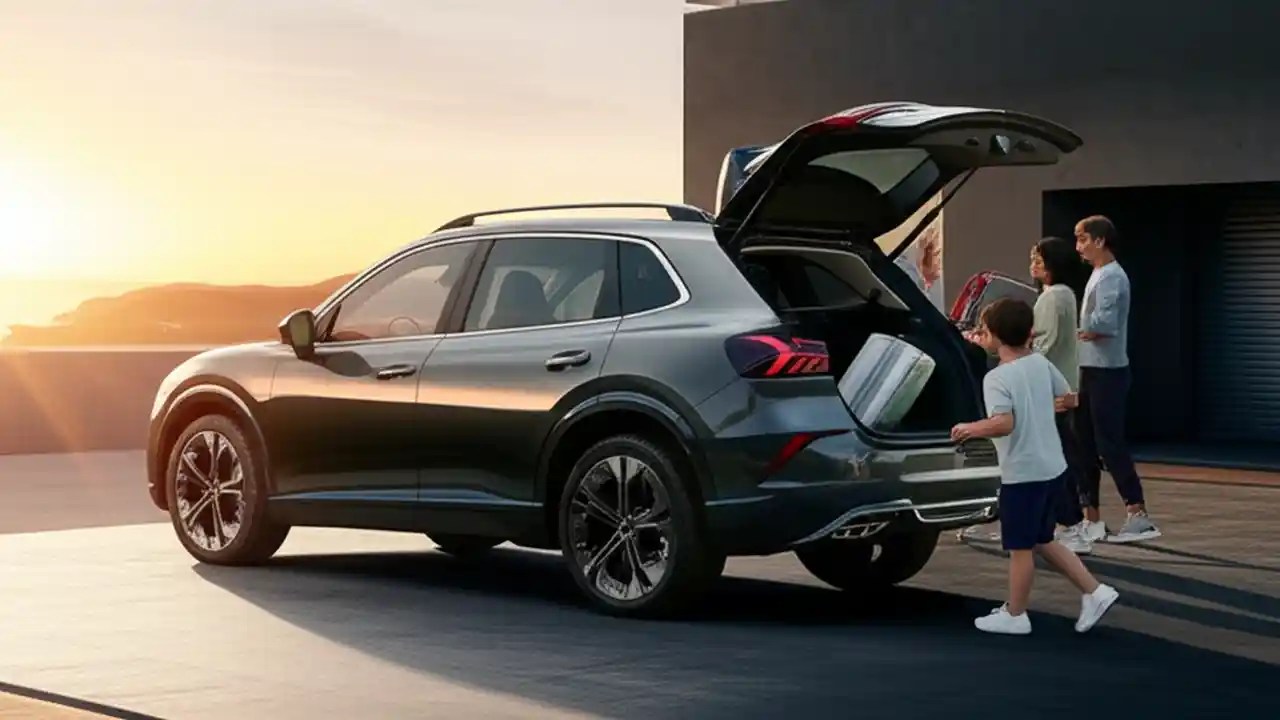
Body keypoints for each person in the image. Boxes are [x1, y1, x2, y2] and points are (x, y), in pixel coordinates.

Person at [951, 298, 1119, 635]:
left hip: (1022, 474)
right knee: (1043, 539)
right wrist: (1038, 407)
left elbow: (1004, 423)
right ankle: (1095, 591)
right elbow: (1068, 398)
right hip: (1052, 467)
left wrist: (970, 428)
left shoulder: (996, 378)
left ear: (994, 336)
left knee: (1020, 547)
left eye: (983, 331)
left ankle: (1016, 615)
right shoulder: (1040, 363)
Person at [1074, 216, 1162, 543]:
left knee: (1109, 444)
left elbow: (1104, 324)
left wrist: (1077, 329)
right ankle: (1091, 519)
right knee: (1084, 444)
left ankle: (1138, 515)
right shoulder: (1098, 273)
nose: (1078, 247)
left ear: (1100, 241)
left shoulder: (1112, 275)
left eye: (1083, 239)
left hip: (1107, 371)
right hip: (1089, 368)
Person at [1028, 237, 1093, 554]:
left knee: (1054, 459)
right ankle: (1062, 523)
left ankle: (1071, 524)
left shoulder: (1053, 297)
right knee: (1059, 454)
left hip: (1048, 389)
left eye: (1039, 260)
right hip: (1061, 386)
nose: (1033, 264)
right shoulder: (1063, 294)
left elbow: (1045, 342)